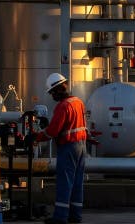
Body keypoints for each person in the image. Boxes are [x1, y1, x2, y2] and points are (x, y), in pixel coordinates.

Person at [35, 73, 87, 224]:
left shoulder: (62, 106)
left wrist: (36, 137)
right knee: (77, 182)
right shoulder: (78, 102)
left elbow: (53, 131)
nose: (52, 96)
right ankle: (75, 215)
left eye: (52, 93)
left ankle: (60, 217)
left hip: (68, 147)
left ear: (58, 90)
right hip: (81, 146)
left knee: (64, 182)